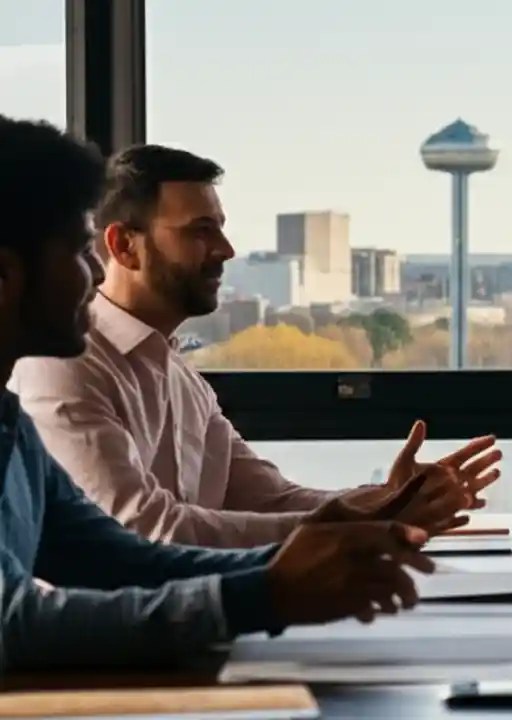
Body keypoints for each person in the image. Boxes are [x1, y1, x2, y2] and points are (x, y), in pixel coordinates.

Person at [0, 114, 465, 669]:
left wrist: (317, 556)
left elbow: (123, 560)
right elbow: (14, 623)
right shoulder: (58, 382)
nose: (95, 277)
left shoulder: (14, 430)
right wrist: (267, 590)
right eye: (79, 253)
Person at [9, 143, 502, 549]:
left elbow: (269, 499)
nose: (226, 250)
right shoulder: (67, 366)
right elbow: (145, 530)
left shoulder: (177, 373)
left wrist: (389, 498)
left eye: (220, 228)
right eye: (202, 231)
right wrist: (352, 526)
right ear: (122, 246)